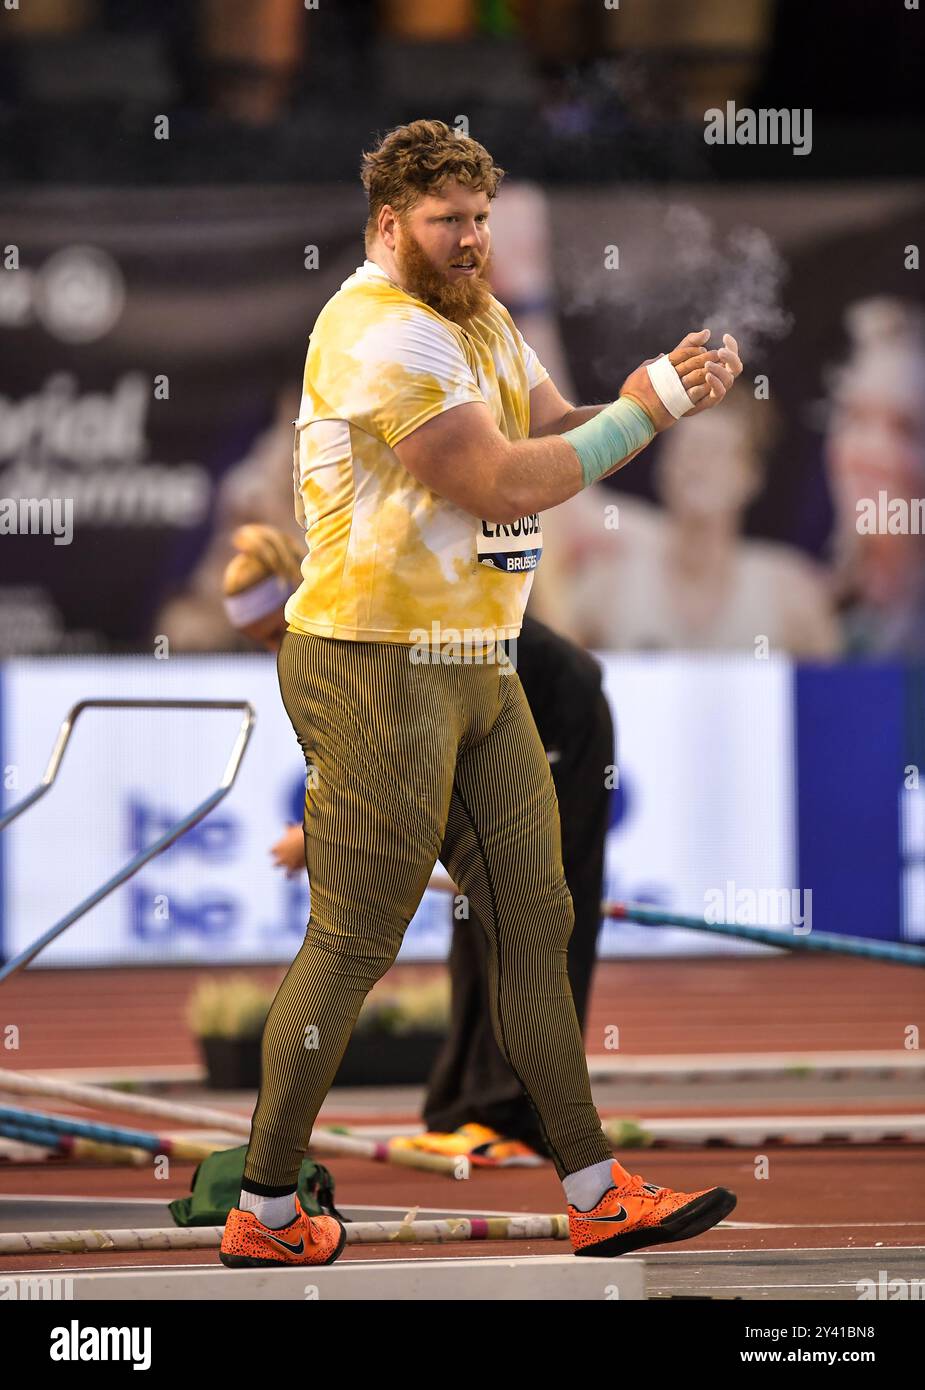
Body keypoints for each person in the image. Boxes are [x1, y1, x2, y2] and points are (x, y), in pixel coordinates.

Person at [219, 118, 743, 1269]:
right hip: (372, 662)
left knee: (536, 919)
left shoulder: (479, 316)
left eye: (480, 219)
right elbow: (499, 479)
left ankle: (597, 1192)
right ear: (387, 226)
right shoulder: (373, 331)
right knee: (355, 942)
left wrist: (657, 389)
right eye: (446, 222)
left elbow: (553, 430)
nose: (469, 240)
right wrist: (645, 410)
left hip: (473, 662)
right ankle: (262, 1210)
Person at [222, 524, 616, 1168]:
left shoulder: (347, 621)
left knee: (528, 917)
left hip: (558, 712)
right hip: (470, 708)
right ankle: (463, 1106)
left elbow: (386, 773)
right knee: (472, 917)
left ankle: (516, 1115)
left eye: (271, 632)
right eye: (258, 641)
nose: (272, 648)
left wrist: (316, 838)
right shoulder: (327, 631)